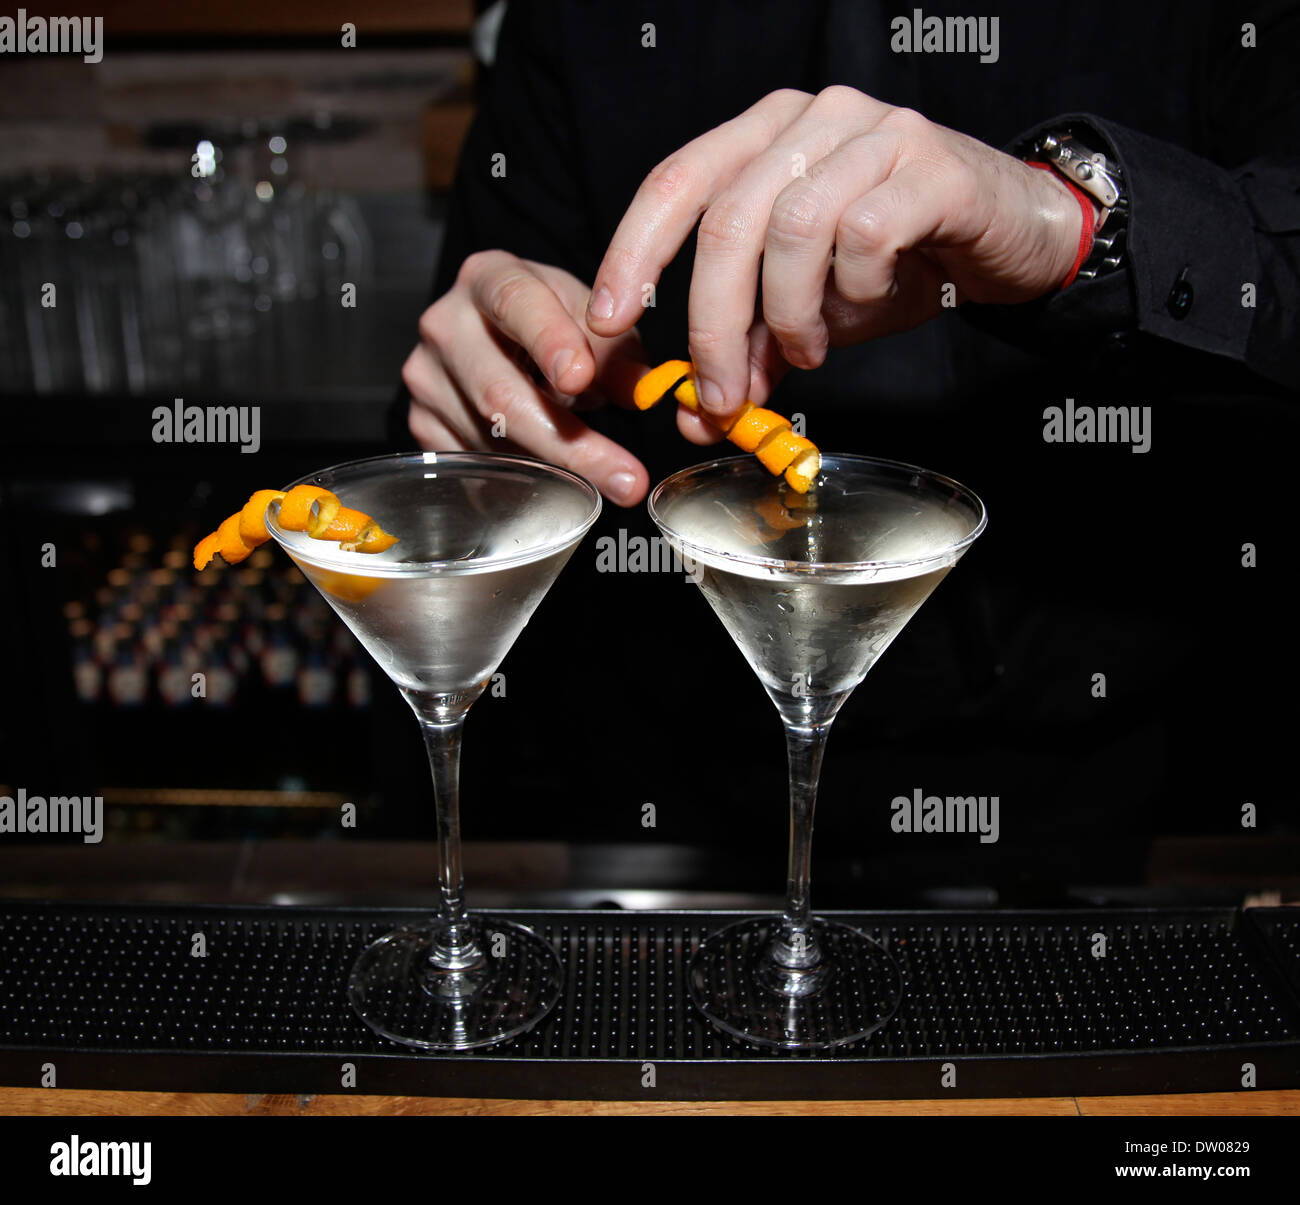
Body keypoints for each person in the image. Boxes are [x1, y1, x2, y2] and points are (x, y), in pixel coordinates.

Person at [400, 0, 1298, 507]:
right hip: (666, 741)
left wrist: (1073, 224)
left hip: (1108, 753)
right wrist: (499, 387)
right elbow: (473, 343)